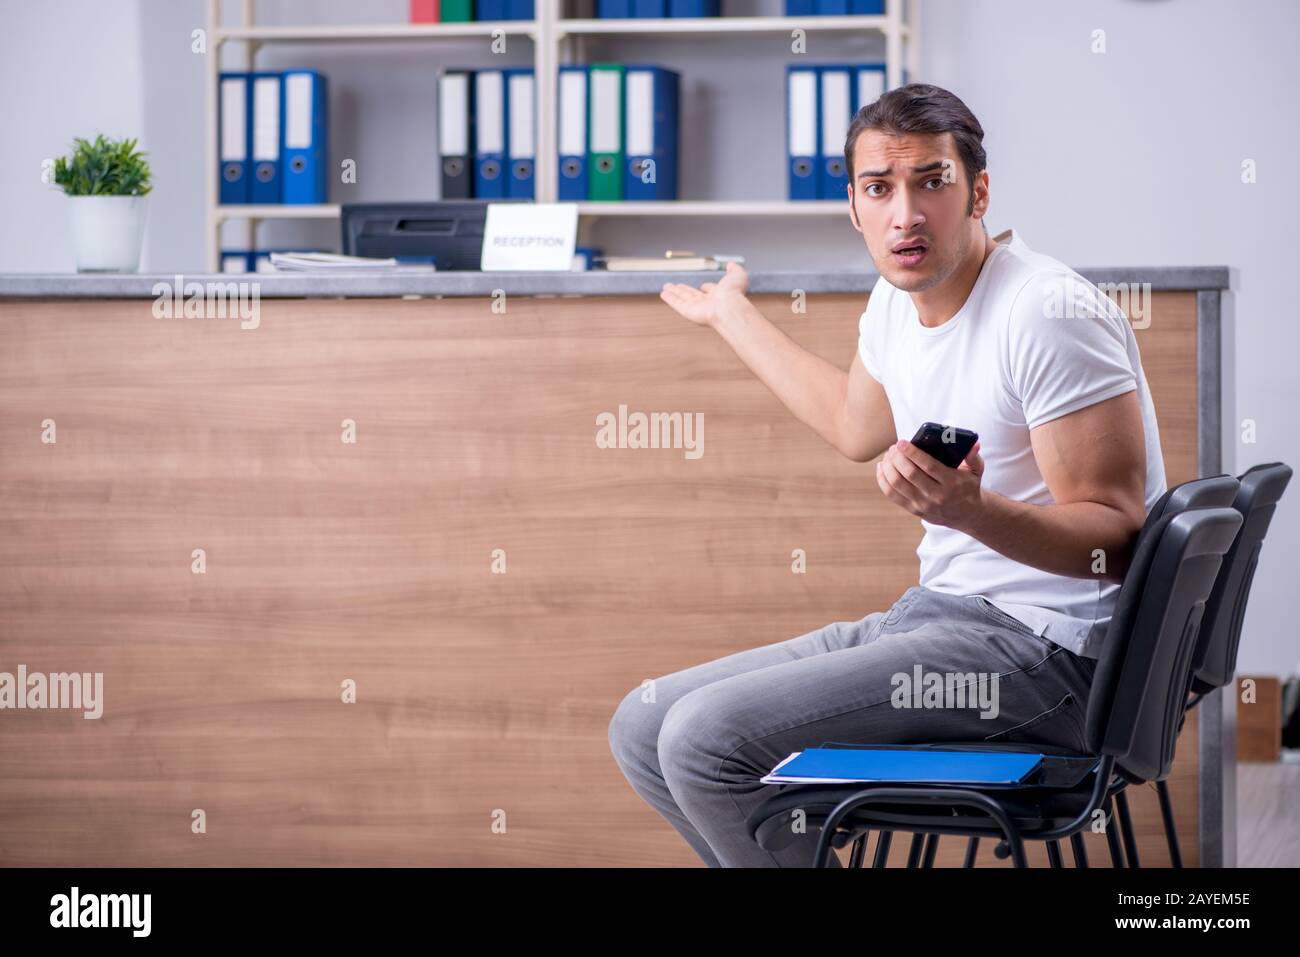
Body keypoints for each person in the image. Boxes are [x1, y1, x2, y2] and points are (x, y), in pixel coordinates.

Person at [608, 83, 1167, 867]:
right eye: (880, 189)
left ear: (978, 191)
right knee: (644, 721)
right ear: (854, 207)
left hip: (1050, 660)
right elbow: (852, 425)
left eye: (931, 182)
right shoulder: (897, 298)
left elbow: (1118, 536)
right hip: (937, 620)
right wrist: (732, 313)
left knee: (705, 739)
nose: (905, 214)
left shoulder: (1044, 311)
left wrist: (974, 512)